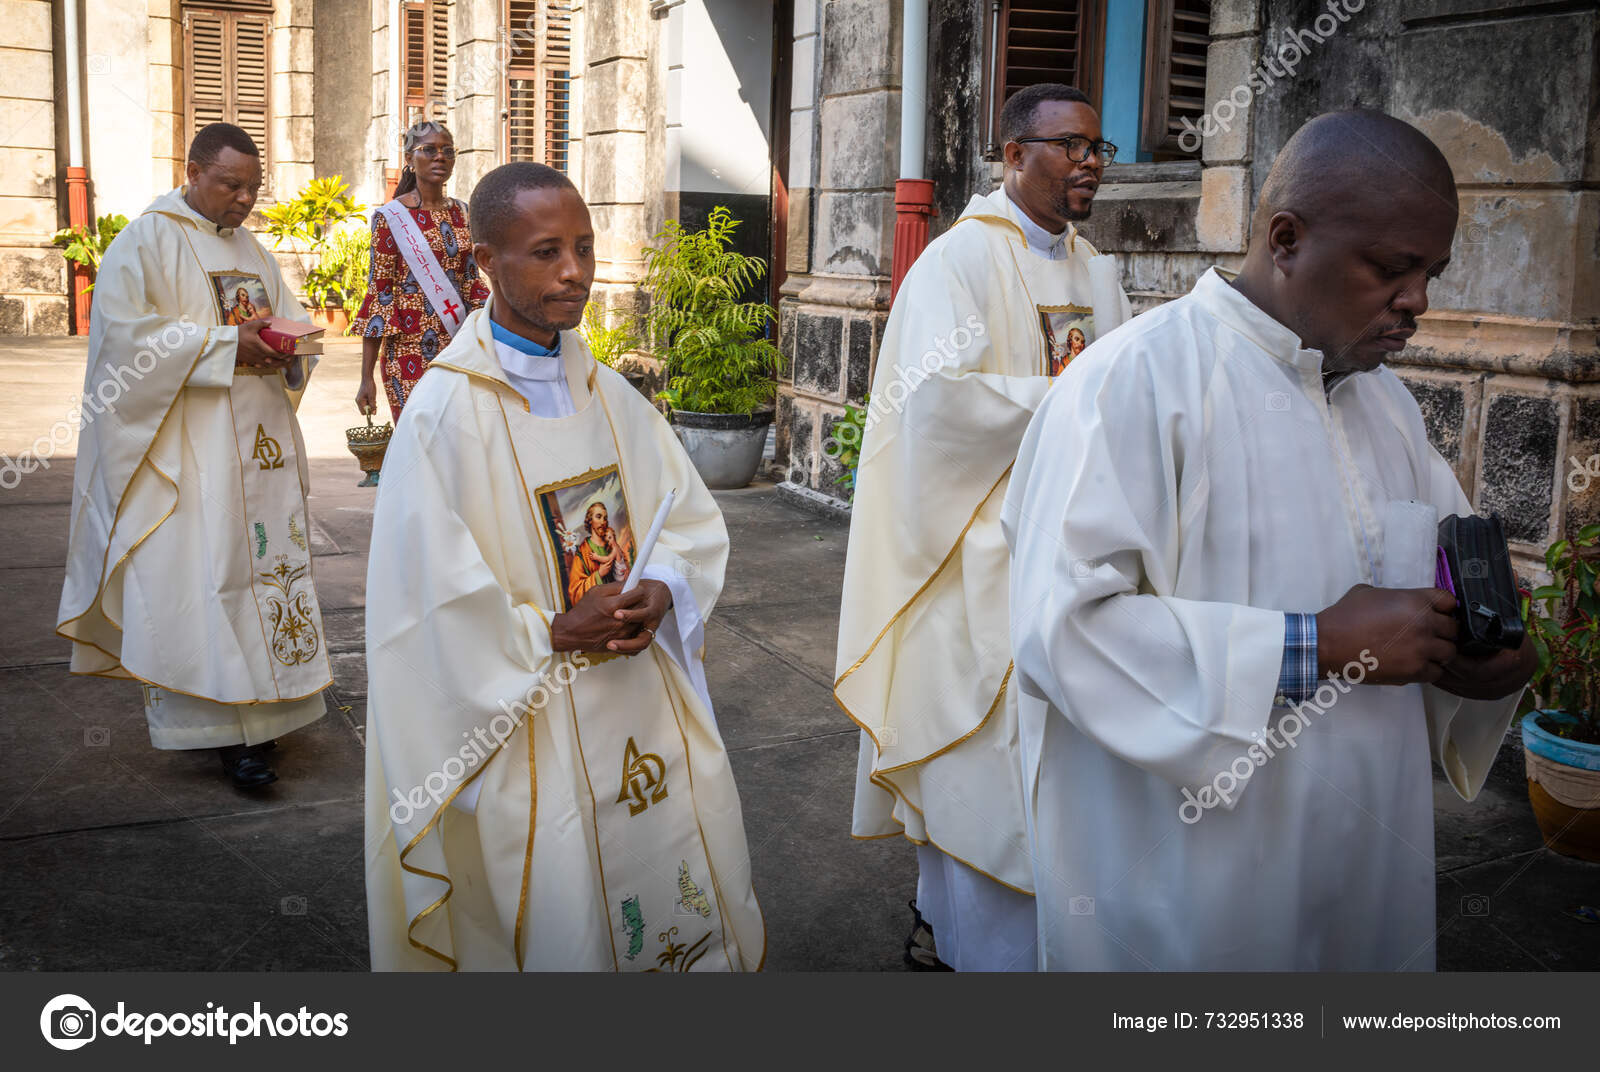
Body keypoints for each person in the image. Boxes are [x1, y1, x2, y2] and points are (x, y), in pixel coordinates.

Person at [1002, 109, 1538, 971]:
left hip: (1366, 864)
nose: (1418, 303)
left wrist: (1489, 660)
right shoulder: (1131, 384)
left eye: (1431, 273)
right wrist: (1315, 644)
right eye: (1393, 268)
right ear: (1285, 238)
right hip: (1192, 880)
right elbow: (1062, 633)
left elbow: (1451, 576)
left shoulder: (1388, 405)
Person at [363, 162, 765, 971]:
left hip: (635, 697)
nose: (575, 271)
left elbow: (684, 518)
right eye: (546, 252)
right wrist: (548, 631)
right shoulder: (445, 415)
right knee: (565, 915)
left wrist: (666, 588)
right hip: (526, 721)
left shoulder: (609, 393)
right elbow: (423, 606)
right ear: (484, 261)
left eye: (583, 247)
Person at [834, 83, 1130, 971]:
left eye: (1097, 147)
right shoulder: (957, 265)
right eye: (1068, 145)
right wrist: (1073, 400)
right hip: (977, 560)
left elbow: (1127, 406)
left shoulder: (1099, 273)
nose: (1088, 163)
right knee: (981, 769)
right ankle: (964, 943)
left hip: (1074, 559)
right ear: (1012, 156)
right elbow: (932, 413)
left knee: (1057, 781)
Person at [56, 123, 330, 790]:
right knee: (209, 582)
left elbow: (290, 322)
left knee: (268, 580)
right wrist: (223, 346)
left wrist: (291, 346)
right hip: (193, 453)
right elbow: (122, 343)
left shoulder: (252, 250)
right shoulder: (147, 240)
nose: (243, 200)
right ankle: (228, 739)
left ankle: (269, 722)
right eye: (230, 185)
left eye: (252, 189)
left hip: (259, 449)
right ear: (194, 171)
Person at [353, 121, 490, 424]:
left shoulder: (463, 213)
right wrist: (366, 377)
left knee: (461, 439)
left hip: (460, 348)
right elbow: (380, 293)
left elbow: (471, 283)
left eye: (448, 151)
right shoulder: (390, 218)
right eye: (429, 150)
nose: (440, 157)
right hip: (407, 354)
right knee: (419, 438)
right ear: (408, 160)